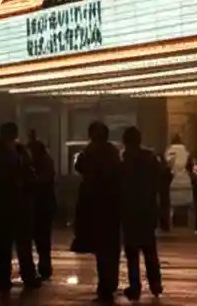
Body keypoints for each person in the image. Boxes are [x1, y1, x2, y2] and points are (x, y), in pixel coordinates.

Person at [0, 122, 39, 290]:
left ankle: (1, 276)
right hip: (16, 203)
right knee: (22, 242)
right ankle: (27, 275)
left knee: (1, 243)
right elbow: (27, 173)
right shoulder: (18, 152)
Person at [75, 122, 122, 302]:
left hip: (96, 203)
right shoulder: (112, 152)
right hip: (111, 204)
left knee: (102, 248)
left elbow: (79, 167)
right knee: (110, 247)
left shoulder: (90, 152)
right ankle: (109, 283)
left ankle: (106, 284)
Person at [120, 126, 163, 299]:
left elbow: (121, 185)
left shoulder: (126, 161)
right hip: (148, 209)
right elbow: (159, 180)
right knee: (150, 250)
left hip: (131, 210)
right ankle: (155, 284)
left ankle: (135, 286)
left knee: (132, 252)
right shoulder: (150, 159)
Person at [28, 132, 57, 280]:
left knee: (42, 238)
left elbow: (43, 180)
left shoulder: (42, 162)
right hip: (43, 204)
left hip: (42, 204)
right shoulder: (45, 161)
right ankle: (44, 266)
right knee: (42, 239)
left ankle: (44, 267)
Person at [164, 135, 192, 229]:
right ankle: (184, 221)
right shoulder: (185, 151)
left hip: (173, 178)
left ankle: (171, 220)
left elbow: (168, 162)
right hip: (184, 178)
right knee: (184, 204)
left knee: (172, 203)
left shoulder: (170, 150)